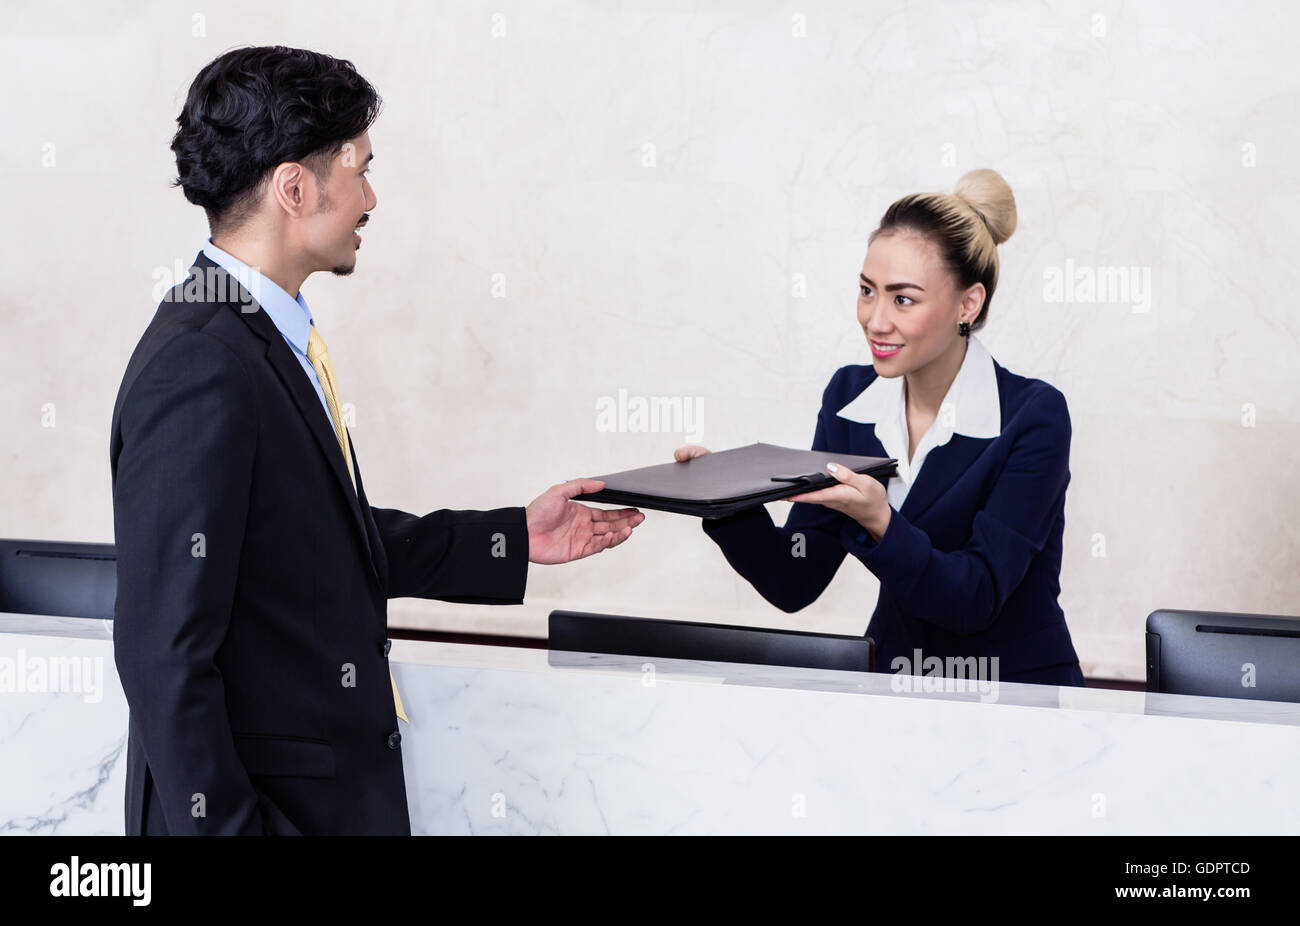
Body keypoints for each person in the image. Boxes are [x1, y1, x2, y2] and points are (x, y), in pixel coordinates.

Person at [110, 45, 644, 836]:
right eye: (358, 168)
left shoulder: (257, 335)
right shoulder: (201, 363)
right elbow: (163, 654)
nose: (371, 196)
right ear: (294, 188)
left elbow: (306, 546)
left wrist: (511, 540)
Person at [676, 169, 1084, 687]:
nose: (875, 319)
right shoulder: (850, 400)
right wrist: (726, 502)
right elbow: (794, 579)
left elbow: (974, 598)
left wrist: (881, 522)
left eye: (903, 298)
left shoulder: (1033, 416)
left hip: (1016, 695)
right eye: (867, 291)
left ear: (968, 304)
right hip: (894, 687)